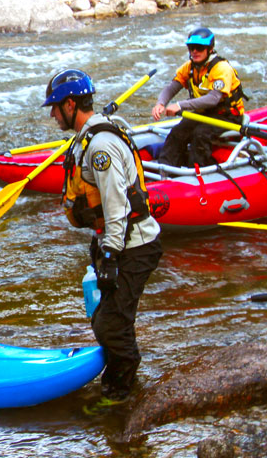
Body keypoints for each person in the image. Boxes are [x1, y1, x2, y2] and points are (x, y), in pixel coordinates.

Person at [44, 68, 163, 405]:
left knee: (110, 325)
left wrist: (110, 255)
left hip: (134, 245)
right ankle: (122, 382)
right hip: (115, 241)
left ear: (70, 105)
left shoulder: (101, 147)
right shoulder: (87, 138)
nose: (52, 114)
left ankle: (122, 396)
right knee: (107, 318)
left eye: (54, 107)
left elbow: (116, 206)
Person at [151, 27, 246, 168]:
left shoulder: (221, 68)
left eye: (199, 48)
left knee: (200, 135)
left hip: (227, 116)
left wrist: (180, 105)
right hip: (204, 113)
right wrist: (161, 103)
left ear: (210, 49)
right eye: (191, 48)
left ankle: (198, 171)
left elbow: (213, 98)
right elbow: (172, 87)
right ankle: (166, 170)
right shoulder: (189, 67)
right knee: (178, 132)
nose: (195, 51)